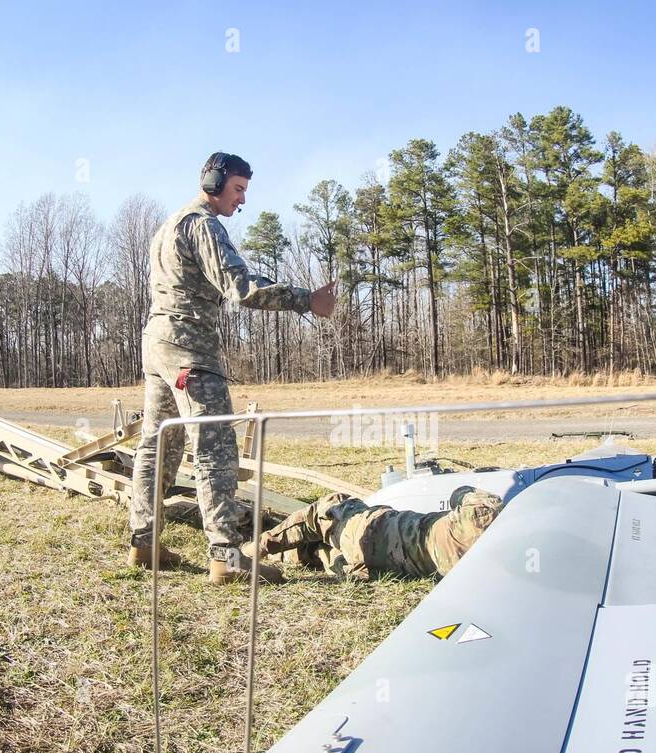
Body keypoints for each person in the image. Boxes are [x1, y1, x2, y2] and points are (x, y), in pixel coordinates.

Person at [128, 152, 336, 582]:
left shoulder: (167, 226)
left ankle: (144, 544)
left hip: (157, 345)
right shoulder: (204, 225)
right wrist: (306, 301)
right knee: (215, 448)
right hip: (190, 350)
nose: (241, 201)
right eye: (238, 189)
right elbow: (240, 288)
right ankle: (225, 556)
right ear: (213, 180)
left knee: (157, 445)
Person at [249, 486, 504, 580]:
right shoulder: (480, 570)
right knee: (324, 554)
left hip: (375, 529)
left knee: (328, 508)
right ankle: (287, 556)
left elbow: (459, 493)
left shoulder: (484, 515)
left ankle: (254, 550)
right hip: (383, 566)